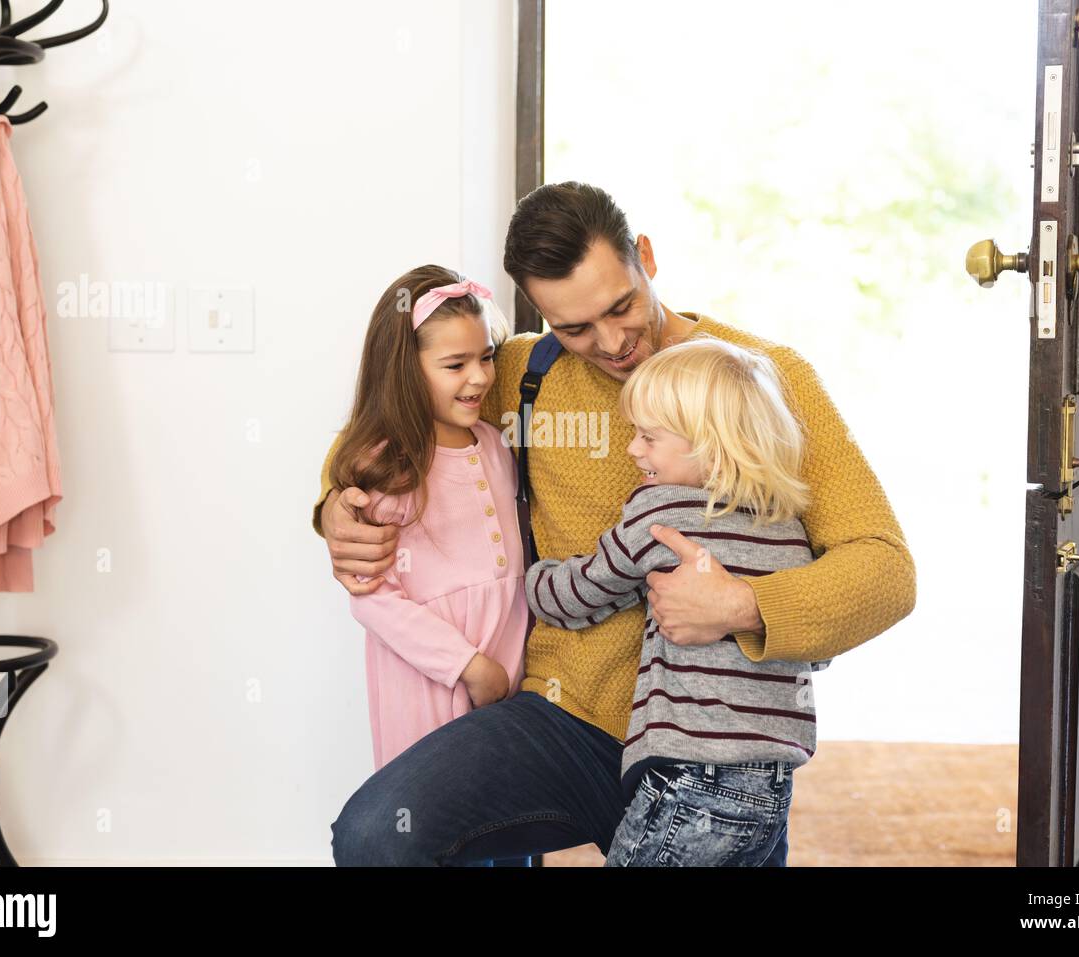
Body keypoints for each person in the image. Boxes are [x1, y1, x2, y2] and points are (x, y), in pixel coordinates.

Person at [317, 182, 917, 866]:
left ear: (648, 259)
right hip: (564, 723)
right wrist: (338, 503)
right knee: (373, 834)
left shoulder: (761, 382)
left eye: (621, 306)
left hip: (712, 754)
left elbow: (885, 566)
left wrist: (744, 605)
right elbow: (395, 420)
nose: (609, 342)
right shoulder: (520, 374)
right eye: (573, 328)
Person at [524, 336, 830, 865]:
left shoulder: (658, 511)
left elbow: (582, 593)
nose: (632, 450)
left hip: (692, 778)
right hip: (773, 787)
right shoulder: (790, 530)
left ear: (710, 445)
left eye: (648, 437)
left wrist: (532, 576)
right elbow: (815, 648)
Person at [330, 264, 532, 866]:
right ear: (406, 370)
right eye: (454, 365)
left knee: (505, 822)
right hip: (430, 678)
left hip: (506, 663)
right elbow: (372, 597)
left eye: (486, 357)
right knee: (436, 828)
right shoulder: (385, 467)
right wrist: (466, 665)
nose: (478, 378)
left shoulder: (496, 444)